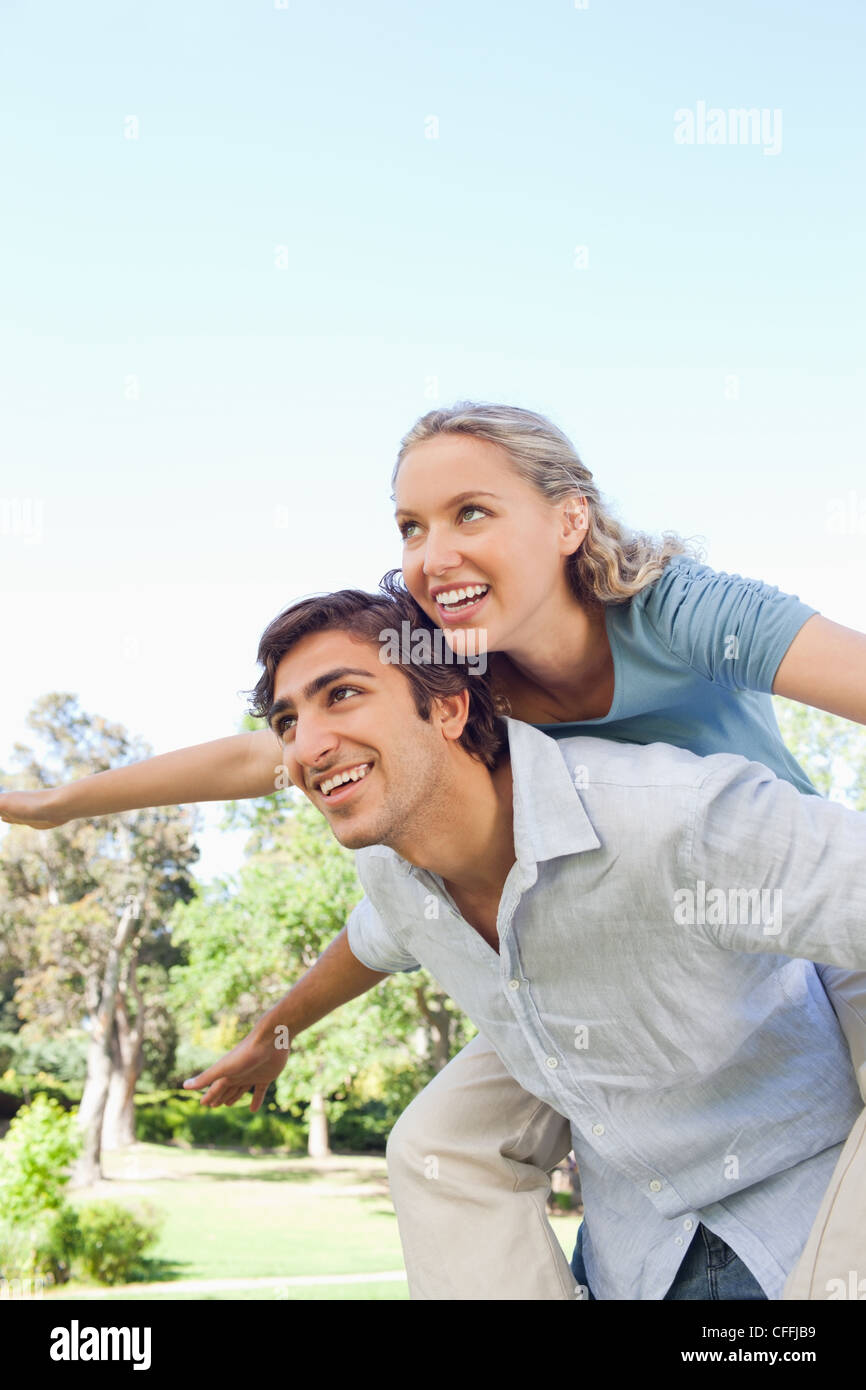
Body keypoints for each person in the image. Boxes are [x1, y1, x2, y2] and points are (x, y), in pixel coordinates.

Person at [2, 402, 866, 1298]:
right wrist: (66, 803)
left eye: (471, 513)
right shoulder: (453, 675)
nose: (433, 553)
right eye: (411, 526)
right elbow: (301, 794)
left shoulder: (678, 612)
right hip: (599, 926)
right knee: (436, 1143)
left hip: (787, 906)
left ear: (571, 518)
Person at [180, 583, 866, 1300]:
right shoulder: (396, 875)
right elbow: (369, 942)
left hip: (797, 1230)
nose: (306, 747)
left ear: (447, 706)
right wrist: (274, 1035)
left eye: (342, 695)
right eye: (286, 722)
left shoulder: (673, 820)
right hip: (628, 1255)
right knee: (428, 1145)